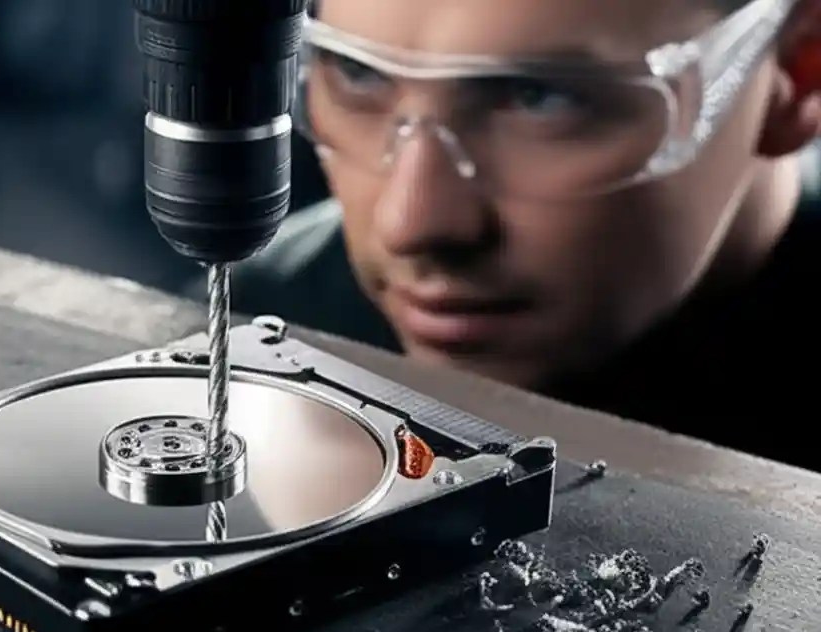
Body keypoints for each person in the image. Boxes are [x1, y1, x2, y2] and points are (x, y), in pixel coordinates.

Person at [192, 0, 821, 472]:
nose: (409, 224)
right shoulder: (235, 337)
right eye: (357, 75)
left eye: (539, 97)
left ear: (798, 73)